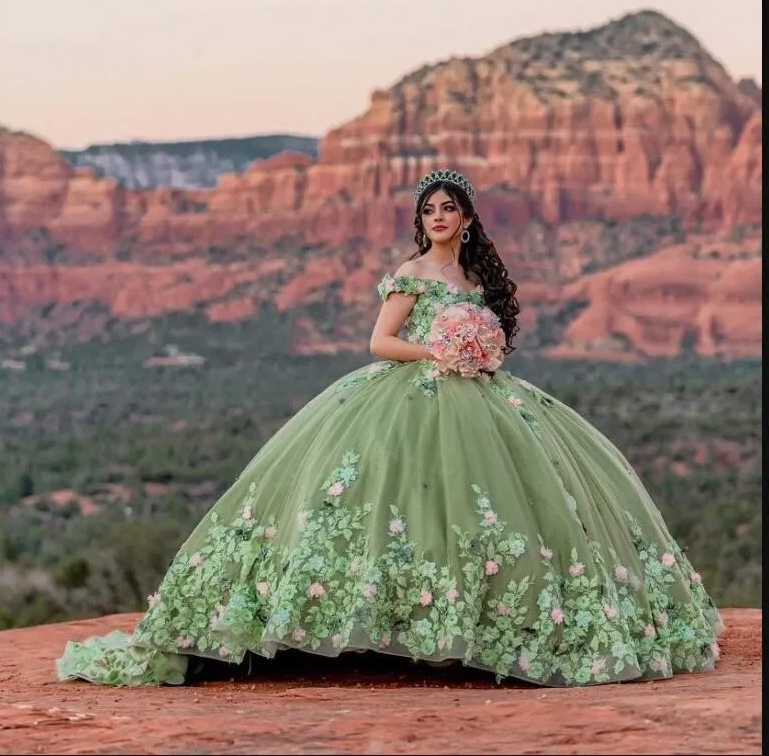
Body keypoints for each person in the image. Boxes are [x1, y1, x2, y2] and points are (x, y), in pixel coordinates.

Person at [57, 169, 721, 688]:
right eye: (428, 209)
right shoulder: (412, 274)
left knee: (494, 506)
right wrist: (441, 352)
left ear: (466, 218)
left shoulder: (473, 276)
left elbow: (491, 333)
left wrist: (480, 352)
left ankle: (472, 627)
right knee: (393, 501)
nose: (438, 218)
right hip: (413, 392)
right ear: (420, 220)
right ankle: (389, 624)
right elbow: (381, 341)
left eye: (448, 208)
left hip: (485, 398)